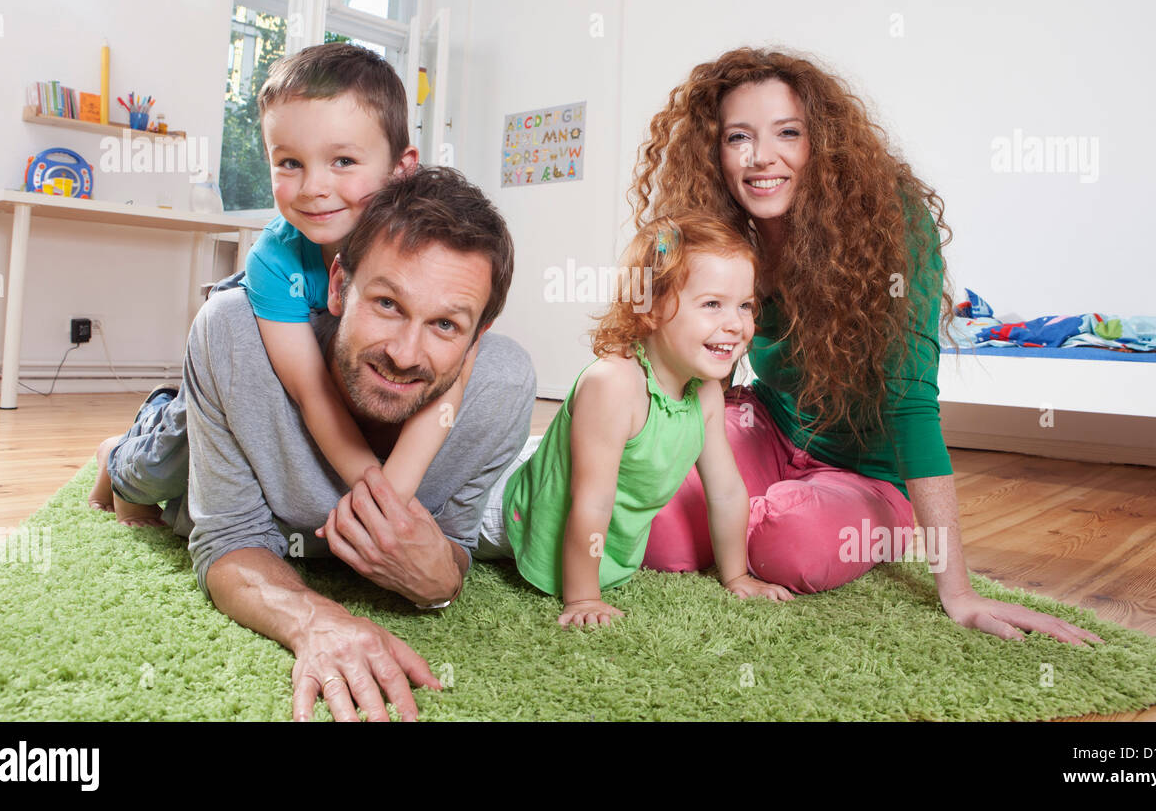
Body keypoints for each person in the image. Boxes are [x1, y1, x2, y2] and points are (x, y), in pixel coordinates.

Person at [628, 46, 1101, 646]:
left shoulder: (891, 224)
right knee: (657, 527)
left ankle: (799, 516)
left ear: (821, 143)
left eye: (788, 133)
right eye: (737, 137)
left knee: (787, 548)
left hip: (868, 472)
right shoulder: (726, 227)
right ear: (714, 150)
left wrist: (956, 591)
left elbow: (908, 404)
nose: (760, 157)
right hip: (772, 426)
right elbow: (698, 360)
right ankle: (756, 503)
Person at [110, 168, 535, 721]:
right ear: (339, 286)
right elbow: (226, 539)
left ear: (479, 334)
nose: (406, 354)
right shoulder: (236, 332)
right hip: (189, 429)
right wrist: (315, 619)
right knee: (147, 474)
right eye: (387, 304)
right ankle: (116, 449)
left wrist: (442, 581)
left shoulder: (502, 387)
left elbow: (455, 541)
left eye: (446, 326)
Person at [88, 42, 459, 525]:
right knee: (163, 466)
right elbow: (311, 393)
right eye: (289, 163)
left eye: (343, 161)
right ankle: (117, 454)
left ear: (401, 168)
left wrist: (392, 496)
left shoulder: (430, 251)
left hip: (321, 370)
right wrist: (375, 492)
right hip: (247, 360)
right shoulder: (275, 259)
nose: (313, 187)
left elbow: (456, 371)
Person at [475, 213, 792, 628]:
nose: (735, 324)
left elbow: (728, 492)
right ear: (652, 308)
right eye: (712, 304)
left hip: (574, 462)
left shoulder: (707, 393)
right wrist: (583, 598)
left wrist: (737, 575)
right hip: (501, 508)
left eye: (745, 305)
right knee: (443, 513)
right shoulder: (615, 385)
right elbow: (592, 500)